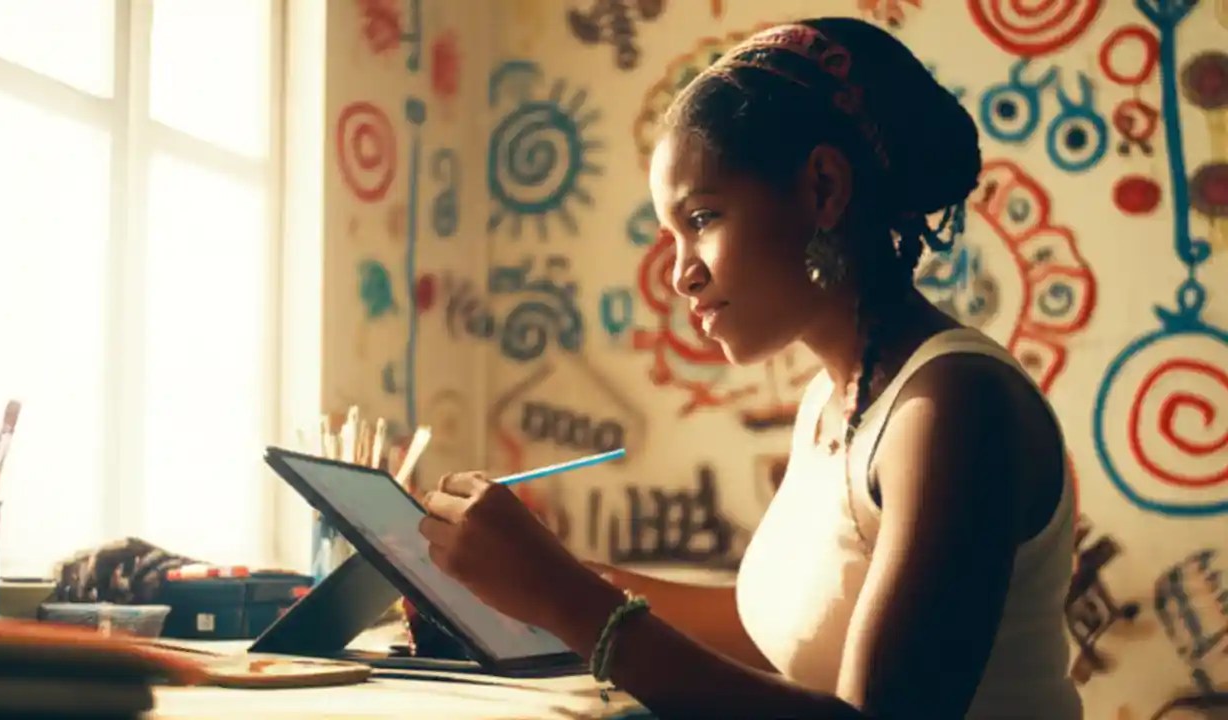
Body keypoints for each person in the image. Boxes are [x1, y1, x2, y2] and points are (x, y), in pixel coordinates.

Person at [418, 17, 1082, 720]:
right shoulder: (833, 401)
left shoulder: (954, 407)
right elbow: (777, 632)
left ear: (824, 188)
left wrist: (562, 595)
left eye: (702, 218)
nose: (680, 275)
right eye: (671, 237)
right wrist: (540, 576)